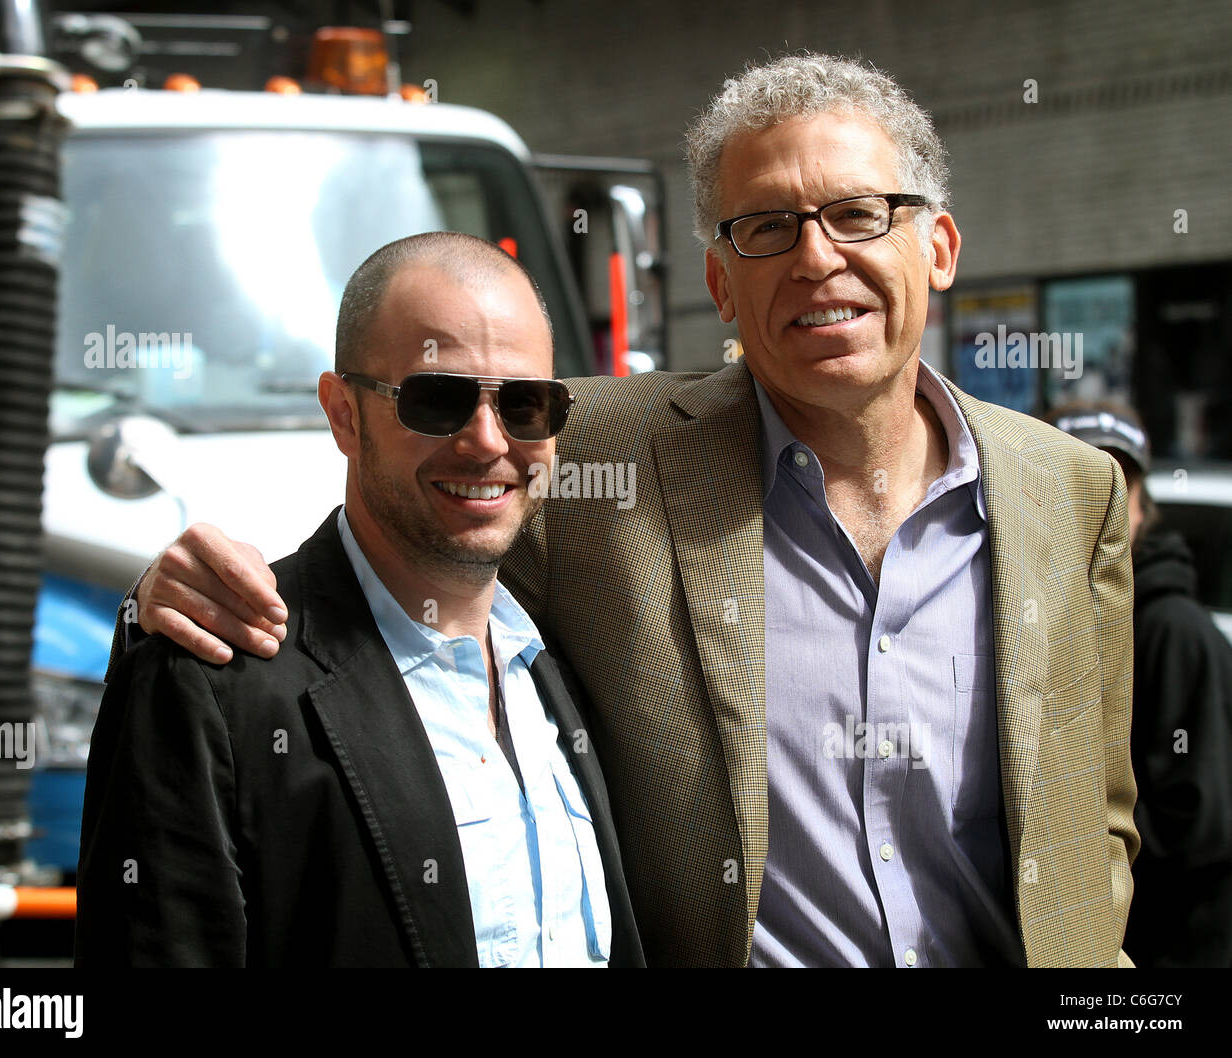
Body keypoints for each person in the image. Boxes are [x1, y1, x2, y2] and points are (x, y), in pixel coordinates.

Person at [111, 54, 1138, 968]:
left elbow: (1095, 810)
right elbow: (405, 514)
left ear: (940, 247)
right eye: (766, 226)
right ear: (720, 286)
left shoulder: (1066, 489)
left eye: (858, 213)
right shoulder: (586, 445)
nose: (815, 258)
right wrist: (171, 596)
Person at [75, 232, 644, 967]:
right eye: (437, 399)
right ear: (344, 412)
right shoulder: (211, 679)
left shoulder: (570, 659)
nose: (486, 440)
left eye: (526, 404)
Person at [1051, 401, 1232, 967]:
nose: (1098, 505)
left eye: (1113, 483)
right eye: (1077, 479)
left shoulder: (1173, 630)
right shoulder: (1042, 618)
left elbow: (1199, 822)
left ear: (1140, 505)